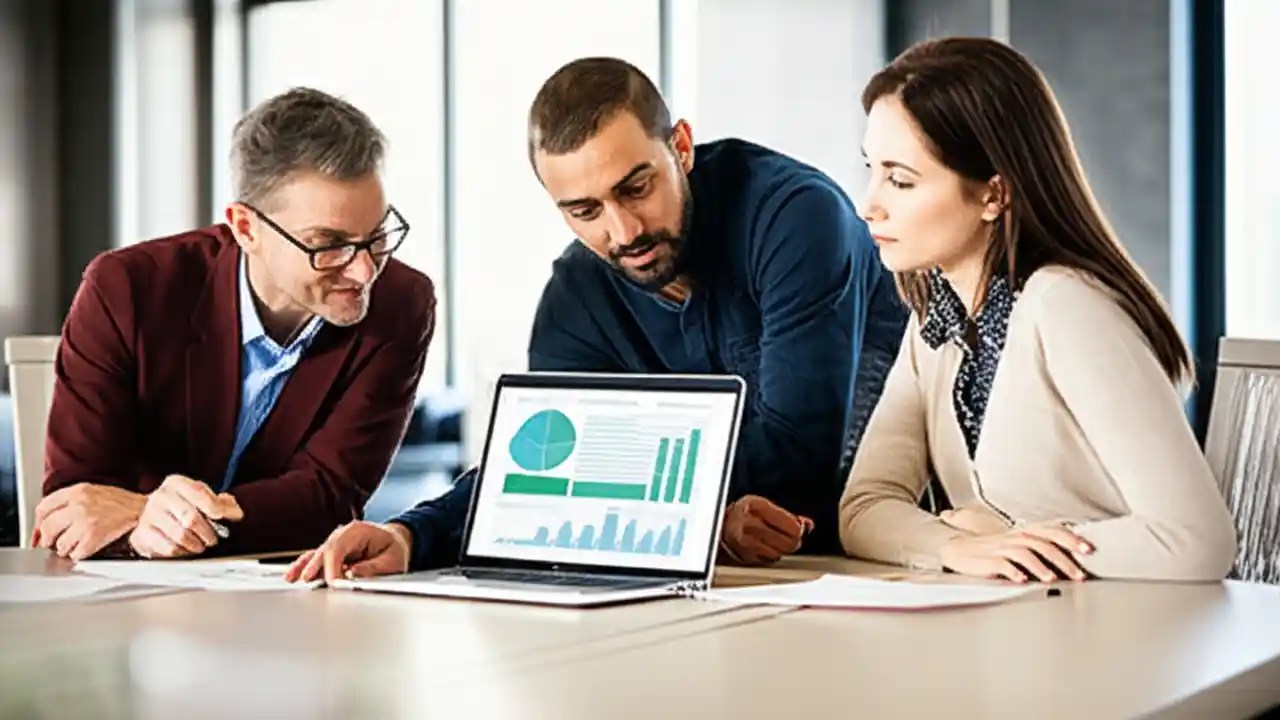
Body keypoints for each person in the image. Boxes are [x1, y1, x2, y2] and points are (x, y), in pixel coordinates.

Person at [287, 56, 906, 583]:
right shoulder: (576, 297)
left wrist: (651, 499)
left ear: (681, 147)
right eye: (585, 211)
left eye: (636, 188)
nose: (624, 231)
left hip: (886, 561)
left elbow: (799, 454)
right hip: (727, 583)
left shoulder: (795, 218)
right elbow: (539, 472)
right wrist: (409, 536)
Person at [839, 37, 1237, 582]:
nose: (868, 205)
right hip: (1029, 620)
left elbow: (1195, 540)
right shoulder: (937, 316)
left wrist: (1006, 540)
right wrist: (957, 546)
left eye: (900, 180)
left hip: (1127, 626)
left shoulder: (1065, 306)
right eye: (872, 169)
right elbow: (865, 509)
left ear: (993, 195)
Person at [34, 87, 436, 560]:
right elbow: (73, 507)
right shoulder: (126, 289)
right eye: (329, 244)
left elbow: (330, 497)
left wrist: (152, 514)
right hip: (127, 585)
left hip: (281, 589)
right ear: (246, 228)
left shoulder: (401, 305)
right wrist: (144, 526)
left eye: (377, 236)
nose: (364, 272)